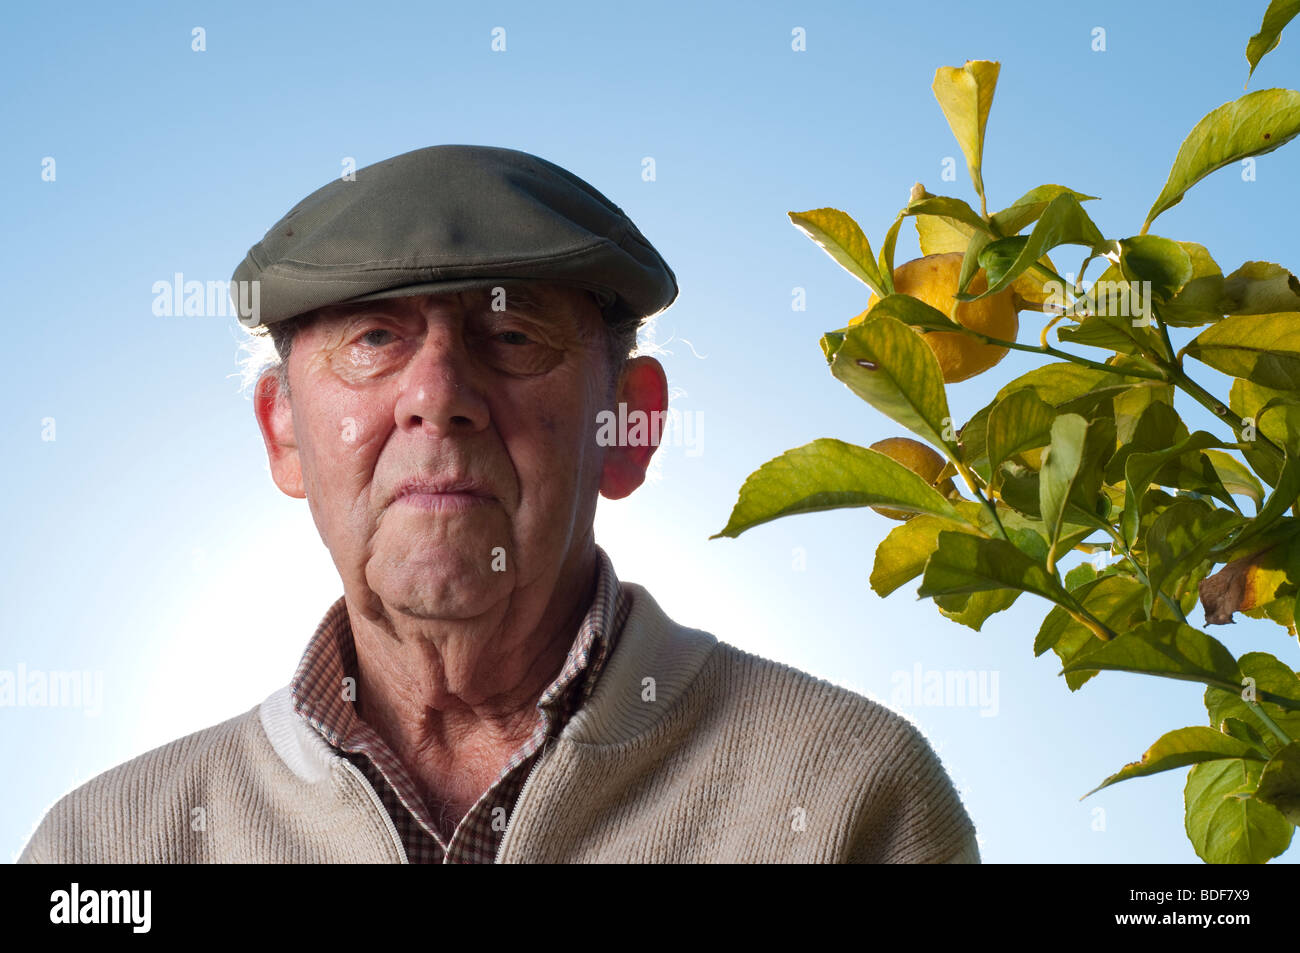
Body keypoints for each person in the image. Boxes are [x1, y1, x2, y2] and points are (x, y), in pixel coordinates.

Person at [19, 145, 979, 863]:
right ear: (282, 433)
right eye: (373, 339)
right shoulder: (105, 850)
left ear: (630, 427)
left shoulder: (853, 796)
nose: (438, 393)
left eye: (512, 334)